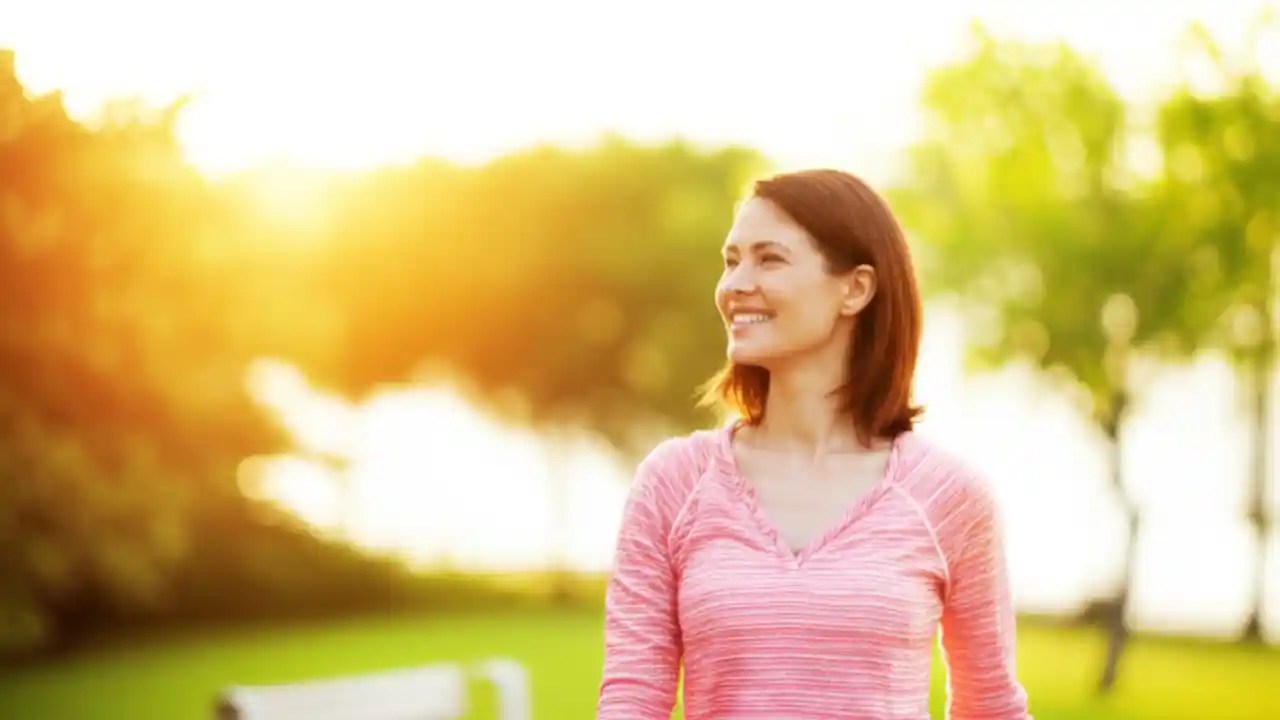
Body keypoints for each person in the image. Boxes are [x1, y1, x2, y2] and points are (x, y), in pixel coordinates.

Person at [596, 169, 1031, 719]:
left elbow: (991, 708)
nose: (733, 286)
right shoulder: (674, 482)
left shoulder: (950, 496)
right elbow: (632, 700)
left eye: (769, 259)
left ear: (855, 289)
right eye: (731, 261)